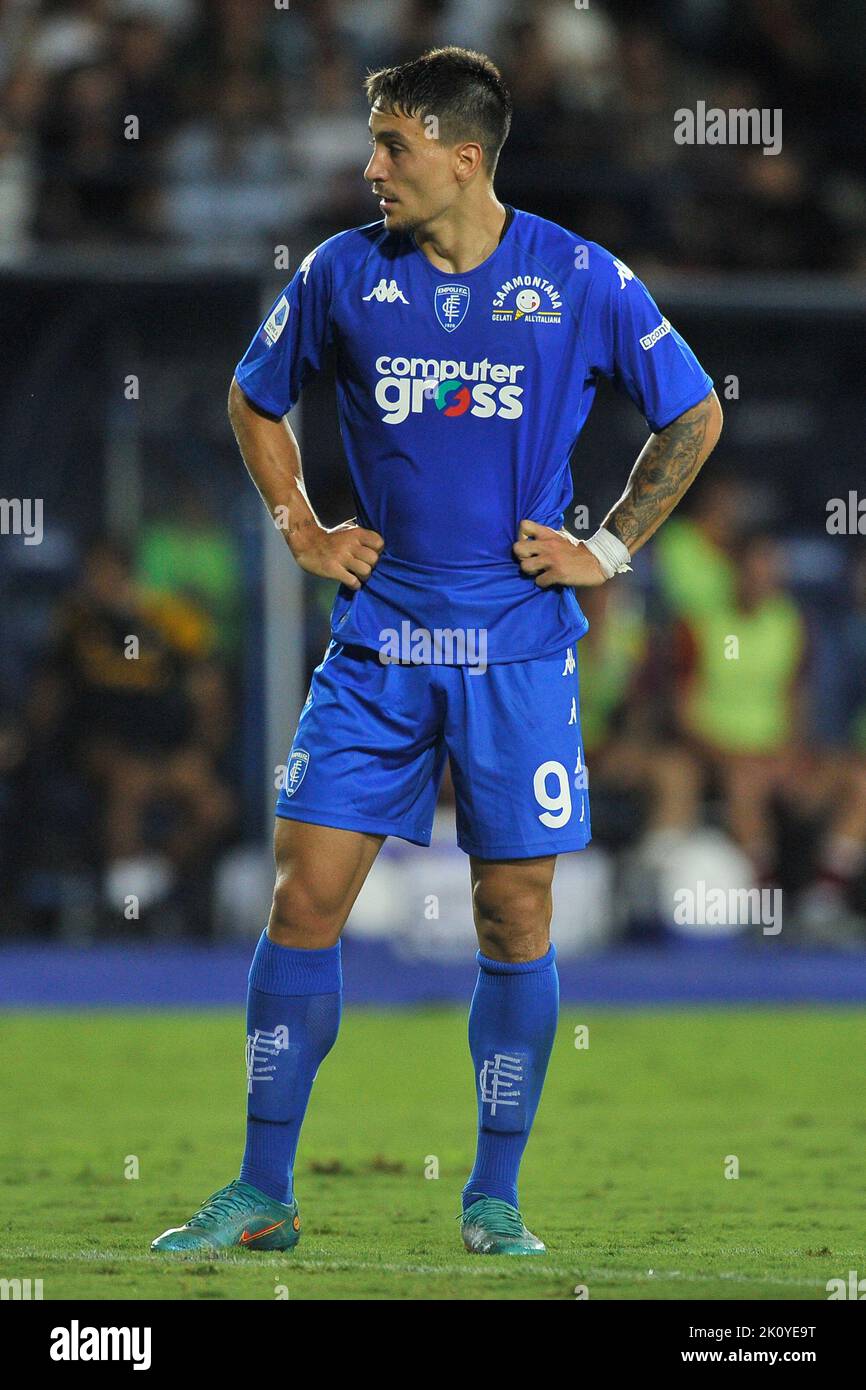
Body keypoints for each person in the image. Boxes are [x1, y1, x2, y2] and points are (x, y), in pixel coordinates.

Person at [151, 46, 722, 1259]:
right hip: (382, 636)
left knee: (513, 917)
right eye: (373, 145)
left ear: (463, 157)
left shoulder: (578, 277)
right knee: (302, 898)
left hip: (516, 645)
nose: (370, 169)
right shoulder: (340, 275)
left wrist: (610, 549)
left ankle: (493, 1197)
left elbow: (694, 408)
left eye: (392, 146)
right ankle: (261, 1191)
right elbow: (256, 397)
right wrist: (300, 526)